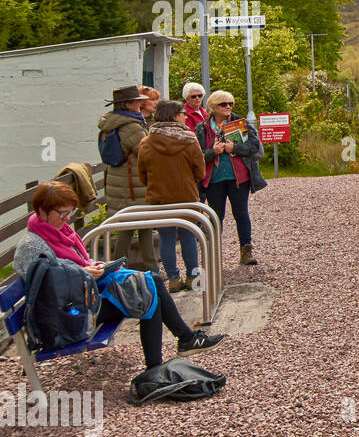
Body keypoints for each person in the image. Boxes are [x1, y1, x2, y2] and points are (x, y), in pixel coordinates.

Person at [13, 181, 223, 369]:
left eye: (70, 212)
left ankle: (169, 354)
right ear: (42, 210)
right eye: (62, 213)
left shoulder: (59, 232)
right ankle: (169, 353)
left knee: (150, 284)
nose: (67, 218)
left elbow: (70, 267)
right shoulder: (31, 246)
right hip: (69, 317)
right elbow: (47, 291)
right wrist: (84, 274)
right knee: (148, 288)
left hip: (83, 301)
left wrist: (94, 266)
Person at [138, 99, 206, 292]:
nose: (185, 116)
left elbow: (142, 174)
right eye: (183, 113)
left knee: (166, 238)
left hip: (159, 198)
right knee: (188, 236)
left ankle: (173, 279)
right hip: (186, 196)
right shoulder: (189, 139)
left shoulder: (146, 142)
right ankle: (193, 276)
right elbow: (200, 172)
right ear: (175, 115)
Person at [195, 91, 267, 265]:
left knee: (241, 213)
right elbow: (196, 155)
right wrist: (214, 152)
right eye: (223, 104)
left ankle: (246, 251)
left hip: (238, 177)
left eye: (230, 104)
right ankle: (212, 254)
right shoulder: (202, 128)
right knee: (216, 216)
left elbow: (254, 145)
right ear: (213, 107)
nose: (228, 107)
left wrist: (235, 148)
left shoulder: (239, 122)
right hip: (213, 179)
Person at [98, 85, 158, 274]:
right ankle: (122, 269)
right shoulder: (131, 126)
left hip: (120, 184)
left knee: (131, 227)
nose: (140, 104)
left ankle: (129, 268)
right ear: (128, 104)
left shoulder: (111, 123)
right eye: (137, 101)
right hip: (133, 186)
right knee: (137, 228)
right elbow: (146, 152)